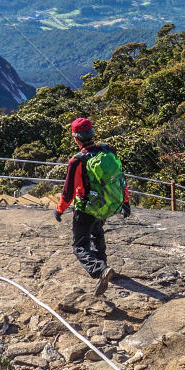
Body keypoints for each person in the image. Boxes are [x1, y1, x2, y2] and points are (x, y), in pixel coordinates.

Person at [55, 117, 130, 296]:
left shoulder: (77, 160)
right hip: (104, 204)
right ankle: (104, 268)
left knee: (79, 246)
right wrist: (125, 201)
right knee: (97, 232)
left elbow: (68, 192)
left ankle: (99, 270)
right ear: (92, 134)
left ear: (76, 138)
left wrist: (59, 210)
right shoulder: (108, 151)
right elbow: (120, 179)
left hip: (86, 207)